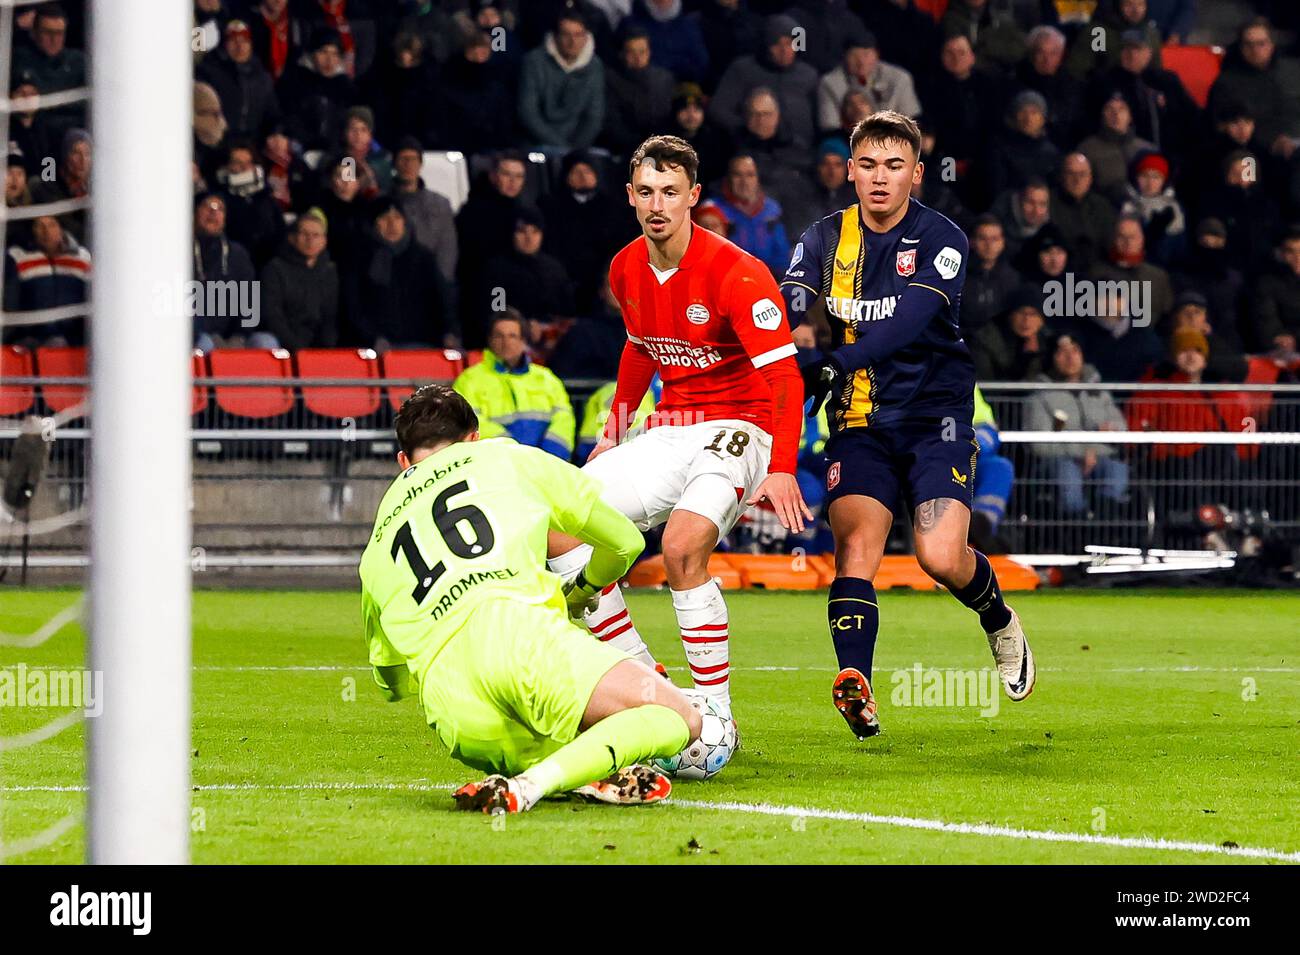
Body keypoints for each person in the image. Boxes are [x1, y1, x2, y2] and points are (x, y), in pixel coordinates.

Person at [783, 110, 1036, 741]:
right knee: (856, 551)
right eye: (867, 164)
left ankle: (999, 619)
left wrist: (831, 361)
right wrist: (790, 336)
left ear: (915, 174)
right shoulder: (821, 238)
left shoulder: (944, 239)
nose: (879, 178)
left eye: (894, 166)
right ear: (850, 170)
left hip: (935, 420)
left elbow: (909, 323)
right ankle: (857, 687)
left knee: (939, 556)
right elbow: (784, 299)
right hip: (859, 420)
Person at [547, 135, 809, 717]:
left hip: (741, 426)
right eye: (646, 192)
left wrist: (785, 468)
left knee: (681, 545)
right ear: (630, 198)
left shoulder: (739, 275)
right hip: (670, 428)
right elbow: (641, 347)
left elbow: (787, 381)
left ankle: (716, 720)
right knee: (558, 521)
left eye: (670, 192)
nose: (657, 205)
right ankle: (648, 684)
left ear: (693, 196)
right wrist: (614, 428)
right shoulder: (624, 269)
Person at [360, 384, 702, 813]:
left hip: (456, 712)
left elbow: (390, 681)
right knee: (681, 718)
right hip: (523, 643)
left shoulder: (377, 543)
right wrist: (581, 592)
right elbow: (625, 543)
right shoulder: (504, 456)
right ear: (473, 438)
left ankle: (562, 769)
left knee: (561, 733)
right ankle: (532, 785)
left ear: (403, 462)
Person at [1026, 333, 1130, 516]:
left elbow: (1121, 428)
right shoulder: (1040, 397)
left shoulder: (1099, 392)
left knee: (1116, 470)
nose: (1070, 357)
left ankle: (1105, 524)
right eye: (1061, 352)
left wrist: (1107, 434)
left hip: (1100, 456)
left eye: (1075, 350)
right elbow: (1039, 445)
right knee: (1067, 473)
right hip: (1057, 461)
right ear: (1051, 358)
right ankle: (1076, 530)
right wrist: (1082, 452)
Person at [452, 311, 575, 460]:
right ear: (490, 340)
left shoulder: (546, 377)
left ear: (523, 341)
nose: (506, 342)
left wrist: (551, 453)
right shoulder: (469, 379)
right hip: (497, 463)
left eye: (512, 336)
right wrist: (510, 451)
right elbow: (469, 423)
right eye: (499, 336)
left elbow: (564, 417)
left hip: (547, 461)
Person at [257, 208, 339, 350]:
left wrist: (325, 348)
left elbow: (330, 316)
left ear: (324, 241)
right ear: (292, 238)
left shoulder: (329, 271)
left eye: (316, 235)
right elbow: (272, 316)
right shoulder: (275, 269)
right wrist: (298, 349)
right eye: (304, 234)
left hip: (318, 346)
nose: (310, 240)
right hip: (283, 342)